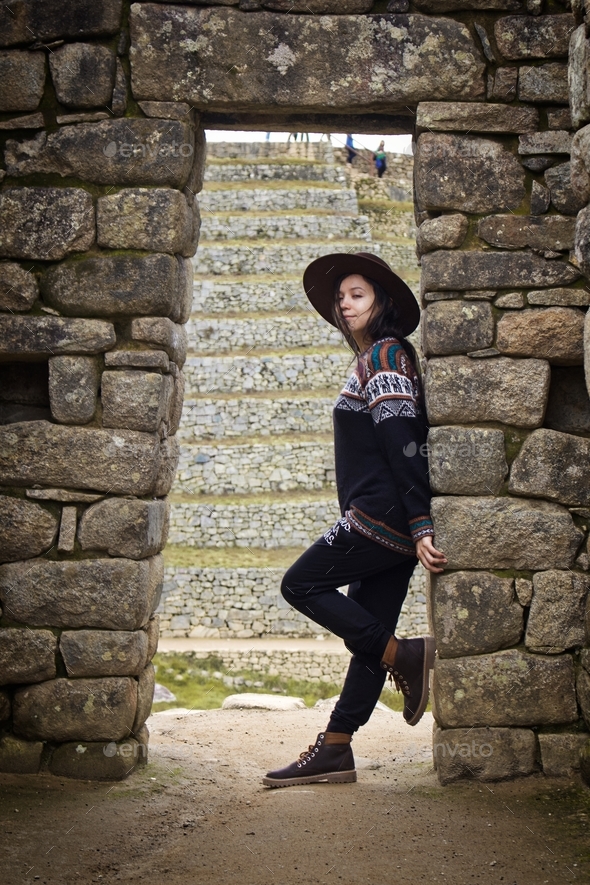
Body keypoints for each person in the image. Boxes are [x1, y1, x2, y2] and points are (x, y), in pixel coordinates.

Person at [262, 252, 447, 789]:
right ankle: (337, 747)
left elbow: (403, 442)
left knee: (299, 584)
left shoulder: (385, 355)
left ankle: (405, 655)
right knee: (367, 635)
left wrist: (419, 523)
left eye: (357, 295)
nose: (344, 304)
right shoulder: (373, 359)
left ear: (381, 302)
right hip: (387, 516)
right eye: (341, 297)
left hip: (381, 517)